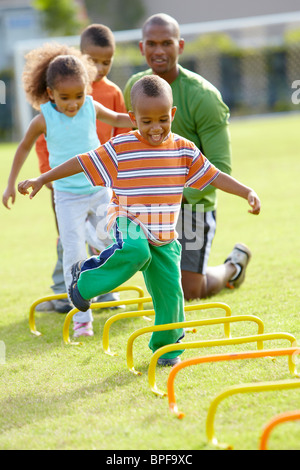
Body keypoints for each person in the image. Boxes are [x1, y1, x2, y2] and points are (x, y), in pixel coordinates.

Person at [18, 75, 261, 365]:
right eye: (146, 122)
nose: (155, 128)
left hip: (164, 235)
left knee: (171, 294)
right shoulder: (121, 146)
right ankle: (83, 283)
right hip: (128, 221)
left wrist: (246, 191)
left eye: (162, 120)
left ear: (172, 114)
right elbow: (82, 162)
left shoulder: (184, 150)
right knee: (136, 251)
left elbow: (214, 175)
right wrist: (43, 177)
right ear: (133, 119)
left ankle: (167, 349)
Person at [2, 43, 132, 337]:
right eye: (65, 98)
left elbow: (117, 119)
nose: (73, 104)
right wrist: (10, 183)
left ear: (87, 89)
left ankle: (99, 272)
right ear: (50, 94)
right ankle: (81, 319)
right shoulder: (44, 118)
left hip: (99, 188)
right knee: (73, 253)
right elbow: (23, 148)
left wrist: (145, 120)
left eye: (78, 95)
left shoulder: (90, 106)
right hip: (67, 196)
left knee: (109, 239)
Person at [123, 13, 250, 301]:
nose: (158, 51)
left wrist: (172, 191)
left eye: (166, 43)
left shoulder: (204, 97)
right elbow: (128, 145)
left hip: (193, 204)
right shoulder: (134, 87)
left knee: (189, 292)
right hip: (148, 202)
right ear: (141, 48)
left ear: (179, 46)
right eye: (151, 43)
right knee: (159, 279)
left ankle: (233, 266)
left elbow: (220, 166)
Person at [35, 24, 131, 313]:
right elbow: (43, 138)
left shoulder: (110, 93)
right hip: (64, 180)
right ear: (80, 57)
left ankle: (101, 289)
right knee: (69, 238)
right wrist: (46, 173)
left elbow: (118, 130)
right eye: (93, 60)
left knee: (103, 233)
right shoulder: (64, 88)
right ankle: (62, 291)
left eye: (106, 61)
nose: (100, 67)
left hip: (99, 181)